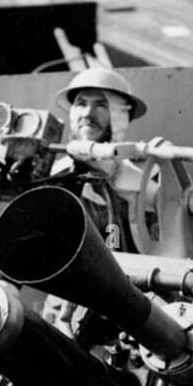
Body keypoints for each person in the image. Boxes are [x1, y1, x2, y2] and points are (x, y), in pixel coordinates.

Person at [49, 67, 156, 252]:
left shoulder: (147, 176)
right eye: (81, 104)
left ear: (121, 117)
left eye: (101, 105)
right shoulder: (55, 173)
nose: (88, 114)